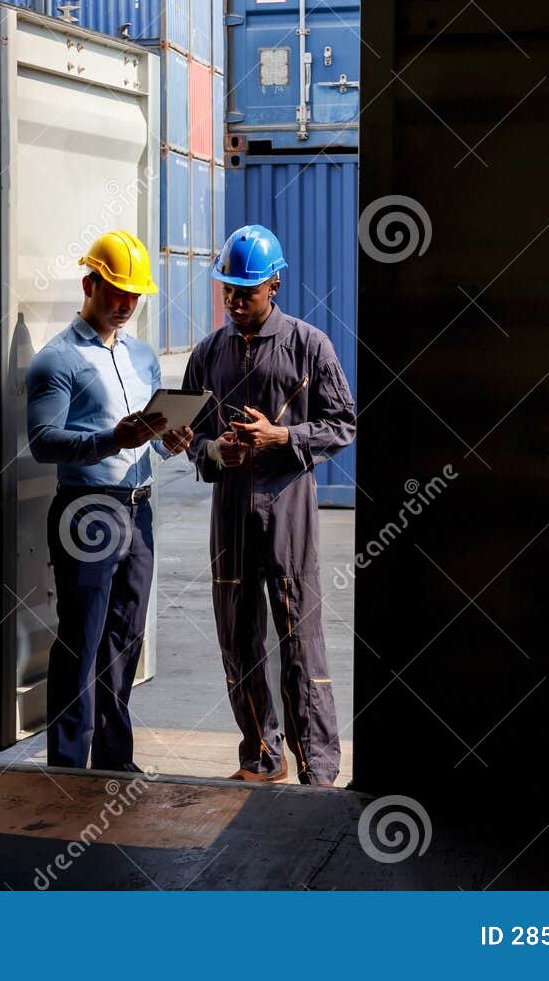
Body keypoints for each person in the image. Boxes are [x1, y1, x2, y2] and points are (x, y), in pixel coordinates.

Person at [181, 225, 356, 786]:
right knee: (237, 638)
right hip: (230, 513)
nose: (233, 301)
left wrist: (281, 439)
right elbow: (193, 441)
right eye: (227, 289)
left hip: (288, 514)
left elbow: (343, 424)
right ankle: (261, 754)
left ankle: (318, 768)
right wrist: (213, 450)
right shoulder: (208, 355)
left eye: (246, 291)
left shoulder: (310, 346)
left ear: (274, 284)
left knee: (299, 641)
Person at [25, 229, 192, 771]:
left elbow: (145, 434)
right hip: (87, 508)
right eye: (116, 291)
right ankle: (69, 766)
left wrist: (169, 441)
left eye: (134, 295)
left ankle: (114, 761)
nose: (126, 304)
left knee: (124, 638)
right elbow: (42, 442)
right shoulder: (58, 361)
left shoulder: (143, 357)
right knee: (81, 638)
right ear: (88, 283)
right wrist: (109, 440)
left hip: (137, 507)